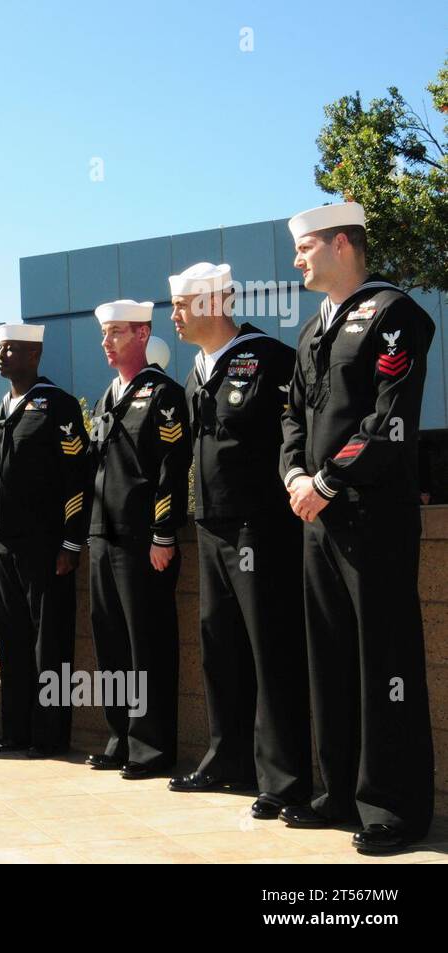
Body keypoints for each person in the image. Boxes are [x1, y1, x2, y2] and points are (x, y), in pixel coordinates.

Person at [279, 202, 436, 854]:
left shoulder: (395, 315)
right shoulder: (315, 328)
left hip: (372, 518)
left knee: (384, 665)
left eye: (306, 246)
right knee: (331, 662)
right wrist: (294, 476)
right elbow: (292, 415)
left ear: (343, 243)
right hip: (318, 519)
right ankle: (336, 792)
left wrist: (327, 480)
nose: (297, 259)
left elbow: (390, 418)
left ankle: (391, 809)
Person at [166, 262, 311, 817]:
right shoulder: (197, 370)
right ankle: (227, 758)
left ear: (210, 304)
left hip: (260, 525)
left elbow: (292, 433)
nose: (174, 315)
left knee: (271, 648)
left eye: (181, 305)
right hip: (211, 524)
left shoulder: (269, 358)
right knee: (219, 646)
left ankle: (285, 777)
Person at [86, 300, 191, 779]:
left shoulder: (164, 394)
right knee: (110, 644)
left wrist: (163, 533)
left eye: (116, 333)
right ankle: (120, 737)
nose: (106, 342)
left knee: (146, 644)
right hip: (102, 537)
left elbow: (172, 468)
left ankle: (151, 749)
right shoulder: (107, 396)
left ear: (143, 334)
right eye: (104, 334)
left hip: (142, 540)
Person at [0, 324, 91, 756]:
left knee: (49, 644)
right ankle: (16, 730)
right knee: (11, 640)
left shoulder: (58, 405)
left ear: (34, 354)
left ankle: (49, 736)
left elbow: (77, 477)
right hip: (4, 544)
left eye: (10, 349)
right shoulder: (1, 408)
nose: (0, 355)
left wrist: (70, 544)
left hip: (46, 545)